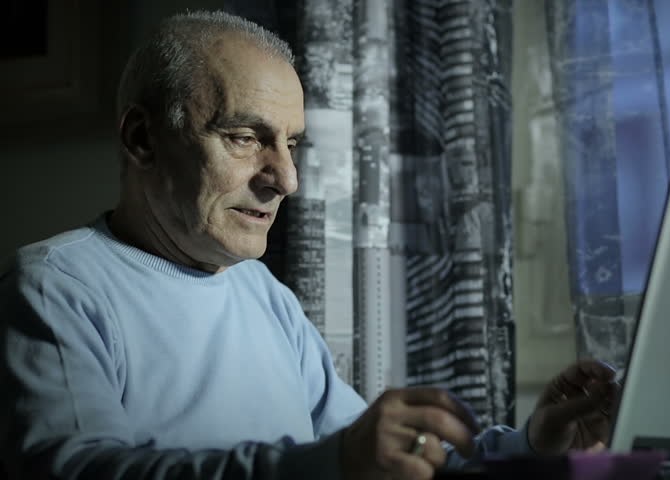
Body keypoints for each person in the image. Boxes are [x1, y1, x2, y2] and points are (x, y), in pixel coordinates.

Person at [0, 11, 616, 480]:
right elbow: (81, 470)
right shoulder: (55, 289)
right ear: (142, 138)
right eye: (245, 137)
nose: (286, 180)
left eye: (292, 144)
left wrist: (535, 442)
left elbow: (373, 456)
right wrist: (328, 465)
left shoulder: (262, 292)